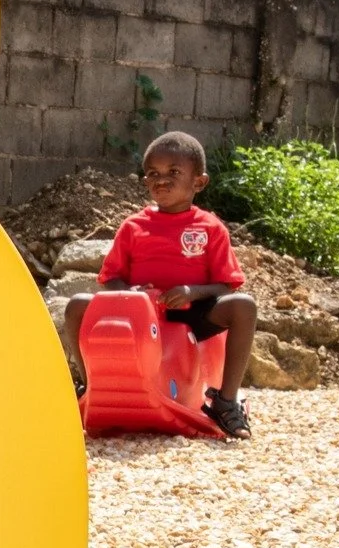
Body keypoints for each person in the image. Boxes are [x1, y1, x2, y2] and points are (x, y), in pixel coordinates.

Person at [58, 131, 260, 439]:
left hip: (193, 313)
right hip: (141, 315)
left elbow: (226, 285)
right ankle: (92, 386)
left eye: (173, 173)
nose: (161, 180)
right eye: (153, 173)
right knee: (77, 305)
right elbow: (110, 278)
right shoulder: (133, 226)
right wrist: (128, 293)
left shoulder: (209, 227)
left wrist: (193, 292)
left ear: (198, 182)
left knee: (244, 306)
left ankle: (225, 401)